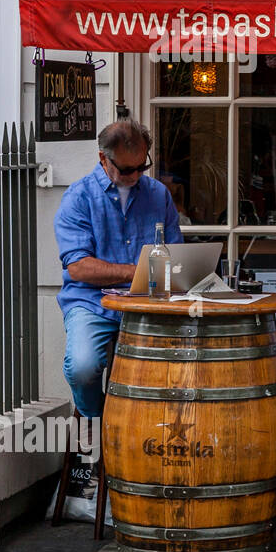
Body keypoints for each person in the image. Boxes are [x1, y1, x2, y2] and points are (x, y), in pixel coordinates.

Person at [55, 119, 183, 418]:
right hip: (92, 302)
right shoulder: (79, 197)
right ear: (103, 158)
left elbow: (176, 256)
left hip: (149, 303)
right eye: (126, 170)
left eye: (142, 167)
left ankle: (147, 430)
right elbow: (78, 268)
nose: (136, 175)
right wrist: (136, 269)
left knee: (182, 365)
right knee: (83, 367)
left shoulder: (159, 194)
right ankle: (100, 422)